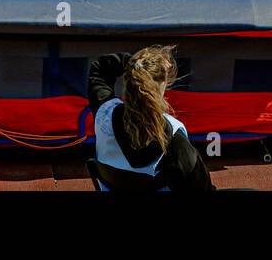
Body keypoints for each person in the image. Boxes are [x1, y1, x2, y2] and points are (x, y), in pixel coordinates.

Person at [86, 46, 215, 191]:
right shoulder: (175, 138)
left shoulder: (104, 112)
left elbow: (99, 69)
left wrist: (135, 64)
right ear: (163, 85)